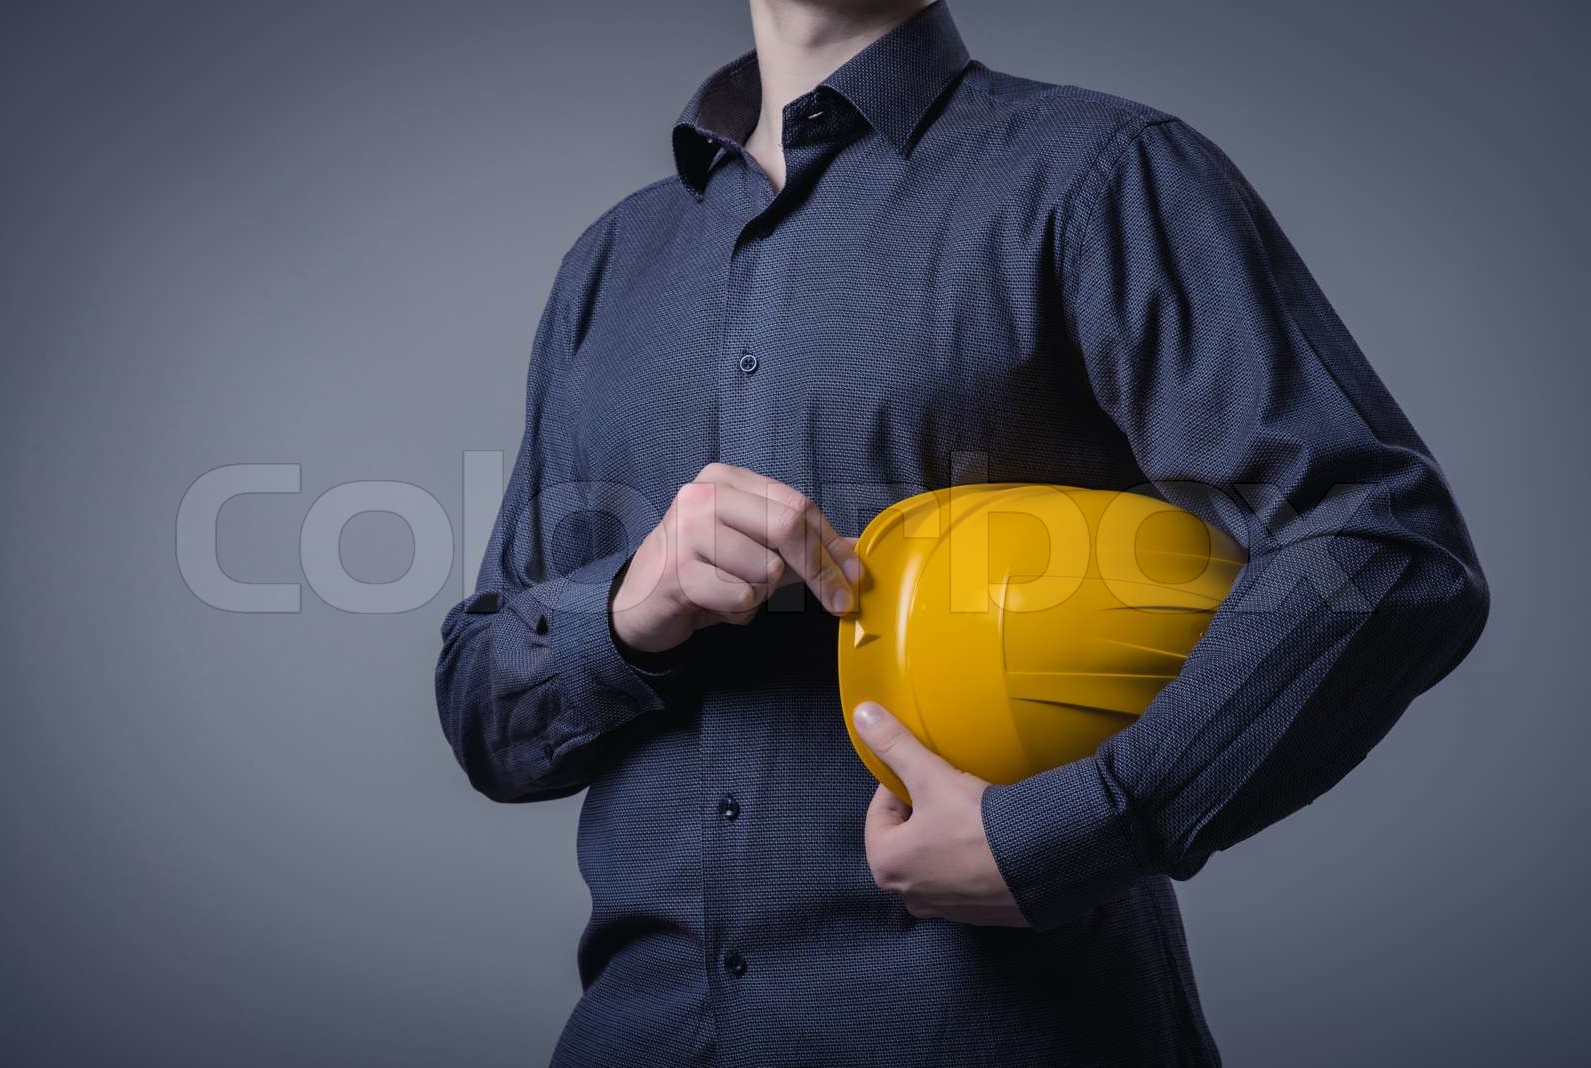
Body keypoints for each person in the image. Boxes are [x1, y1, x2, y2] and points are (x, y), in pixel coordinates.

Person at [435, 2, 1489, 1063]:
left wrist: (1093, 824)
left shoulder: (1101, 176)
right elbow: (487, 718)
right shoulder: (609, 263)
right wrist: (619, 613)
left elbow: (1382, 542)